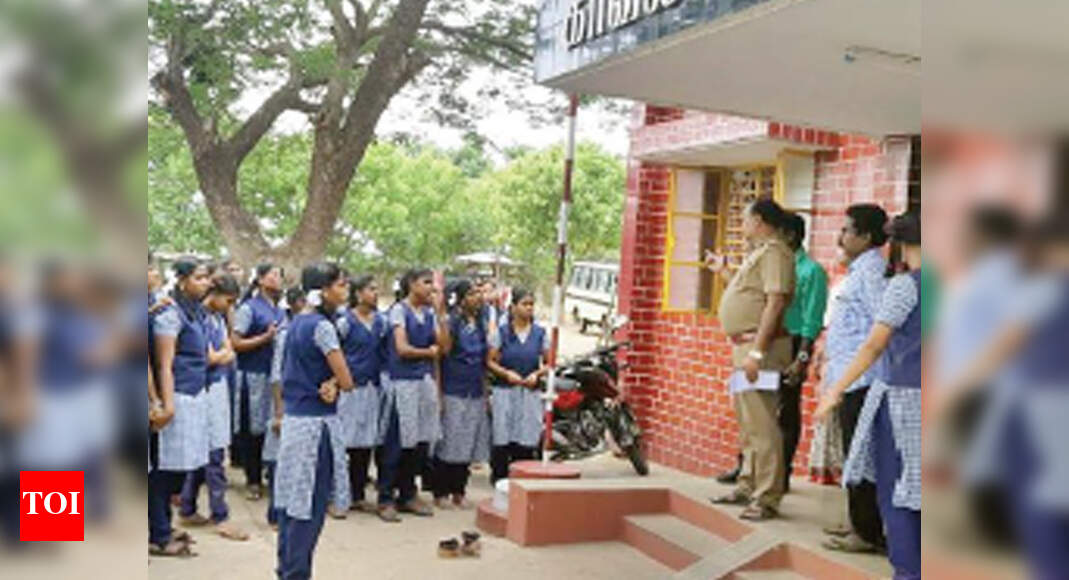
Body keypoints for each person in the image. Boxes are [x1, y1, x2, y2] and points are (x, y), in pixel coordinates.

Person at [815, 211, 923, 580]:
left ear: (901, 243)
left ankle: (908, 571)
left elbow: (874, 345)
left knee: (898, 491)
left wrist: (835, 390)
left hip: (902, 400)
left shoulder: (905, 286)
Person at [706, 197, 794, 521]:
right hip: (744, 346)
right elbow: (749, 293)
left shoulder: (775, 253)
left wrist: (757, 352)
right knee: (748, 424)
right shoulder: (759, 253)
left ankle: (767, 495)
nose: (742, 225)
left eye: (744, 219)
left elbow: (774, 303)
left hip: (760, 348)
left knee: (762, 424)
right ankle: (748, 483)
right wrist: (723, 272)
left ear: (758, 220)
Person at [275, 263, 355, 579]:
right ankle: (296, 573)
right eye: (341, 285)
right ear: (323, 290)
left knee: (291, 502)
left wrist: (331, 381)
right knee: (309, 505)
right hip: (316, 426)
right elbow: (347, 379)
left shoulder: (294, 323)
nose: (345, 291)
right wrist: (337, 382)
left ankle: (286, 568)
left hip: (295, 421)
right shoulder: (323, 327)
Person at [820, 204, 890, 553]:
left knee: (861, 456)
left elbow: (882, 324)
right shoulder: (859, 269)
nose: (841, 236)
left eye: (847, 230)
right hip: (848, 378)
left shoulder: (872, 271)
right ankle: (858, 522)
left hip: (862, 380)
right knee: (853, 454)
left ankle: (866, 532)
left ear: (865, 236)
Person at [149, 259, 213, 557]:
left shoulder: (193, 312)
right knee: (162, 470)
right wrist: (165, 403)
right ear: (183, 280)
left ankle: (161, 526)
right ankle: (158, 534)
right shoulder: (168, 314)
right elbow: (163, 364)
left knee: (176, 468)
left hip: (192, 393)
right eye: (199, 277)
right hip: (176, 395)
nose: (206, 283)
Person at [177, 273, 248, 541]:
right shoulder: (199, 319)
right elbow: (209, 356)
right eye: (228, 300)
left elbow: (228, 350)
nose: (230, 306)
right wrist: (220, 355)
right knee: (213, 453)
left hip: (218, 386)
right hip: (202, 389)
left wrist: (222, 355)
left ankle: (188, 506)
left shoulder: (217, 318)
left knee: (206, 451)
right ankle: (220, 515)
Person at [377, 269, 442, 522]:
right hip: (402, 383)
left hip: (423, 382)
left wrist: (441, 313)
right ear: (411, 284)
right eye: (426, 283)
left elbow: (444, 347)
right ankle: (385, 497)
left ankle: (408, 494)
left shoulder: (429, 314)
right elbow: (402, 348)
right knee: (396, 441)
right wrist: (428, 352)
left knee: (419, 443)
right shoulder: (398, 311)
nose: (431, 288)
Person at [778, 212, 828, 492]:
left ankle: (782, 473)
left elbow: (812, 319)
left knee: (786, 409)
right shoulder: (775, 266)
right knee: (761, 407)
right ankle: (749, 467)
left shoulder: (811, 271)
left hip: (795, 343)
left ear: (791, 236)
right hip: (771, 342)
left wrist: (802, 358)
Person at [433, 279, 491, 509]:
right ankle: (441, 491)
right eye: (472, 294)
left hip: (474, 389)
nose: (478, 297)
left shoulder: (481, 323)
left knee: (468, 441)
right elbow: (443, 354)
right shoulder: (452, 322)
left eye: (479, 293)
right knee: (449, 441)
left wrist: (485, 393)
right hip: (453, 389)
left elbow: (484, 362)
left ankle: (459, 490)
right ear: (460, 298)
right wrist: (439, 393)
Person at [232, 263, 286, 500]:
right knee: (251, 429)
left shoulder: (280, 310)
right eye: (273, 274)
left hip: (274, 377)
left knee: (271, 427)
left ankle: (269, 474)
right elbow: (236, 343)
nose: (278, 279)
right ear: (261, 279)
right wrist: (265, 337)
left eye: (280, 275)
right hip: (252, 376)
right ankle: (252, 479)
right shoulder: (249, 308)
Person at [487, 288, 550, 484]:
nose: (529, 308)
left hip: (529, 392)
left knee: (526, 435)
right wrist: (506, 373)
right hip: (505, 392)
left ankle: (522, 477)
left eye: (531, 304)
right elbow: (489, 361)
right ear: (513, 307)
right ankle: (500, 477)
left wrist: (536, 374)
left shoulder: (540, 334)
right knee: (503, 434)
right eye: (524, 304)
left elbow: (550, 363)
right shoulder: (502, 332)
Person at [336, 275, 387, 514]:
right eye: (371, 289)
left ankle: (358, 493)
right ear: (358, 294)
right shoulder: (345, 322)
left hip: (371, 387)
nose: (375, 294)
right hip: (349, 388)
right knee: (344, 441)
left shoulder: (381, 323)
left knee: (365, 442)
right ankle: (339, 494)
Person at [265, 287, 306, 529]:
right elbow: (277, 376)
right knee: (279, 459)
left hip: (303, 404)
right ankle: (275, 513)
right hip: (287, 404)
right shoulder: (286, 334)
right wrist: (279, 413)